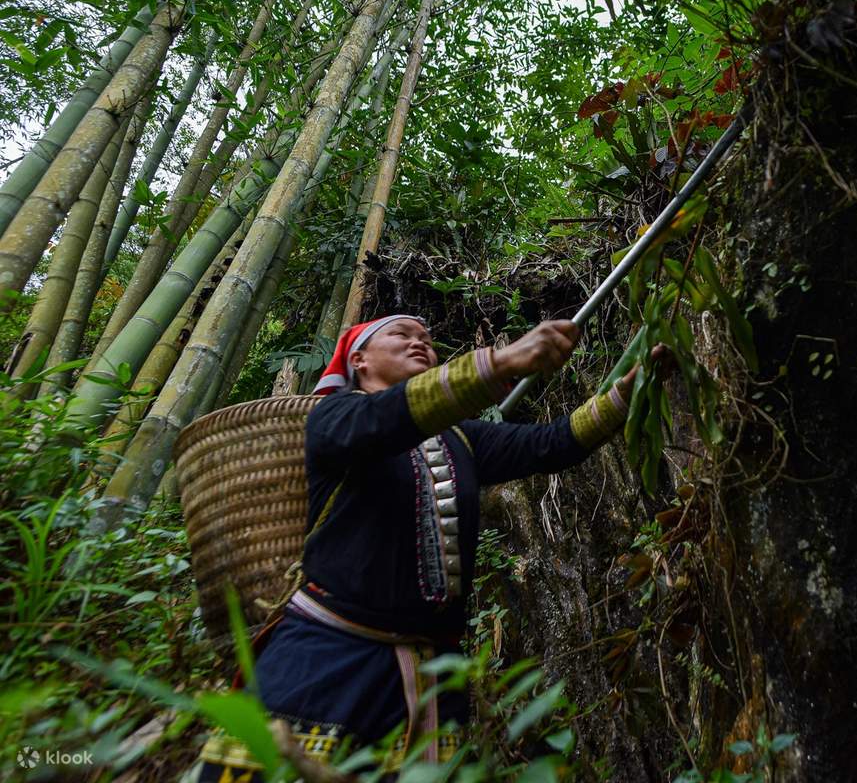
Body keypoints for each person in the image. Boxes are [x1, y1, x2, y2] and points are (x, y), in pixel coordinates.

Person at [197, 314, 638, 780]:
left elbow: (554, 443)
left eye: (427, 339)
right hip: (324, 656)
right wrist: (503, 359)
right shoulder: (334, 417)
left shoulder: (462, 437)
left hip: (429, 673)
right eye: (402, 335)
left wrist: (628, 390)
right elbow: (390, 419)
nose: (420, 343)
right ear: (358, 359)